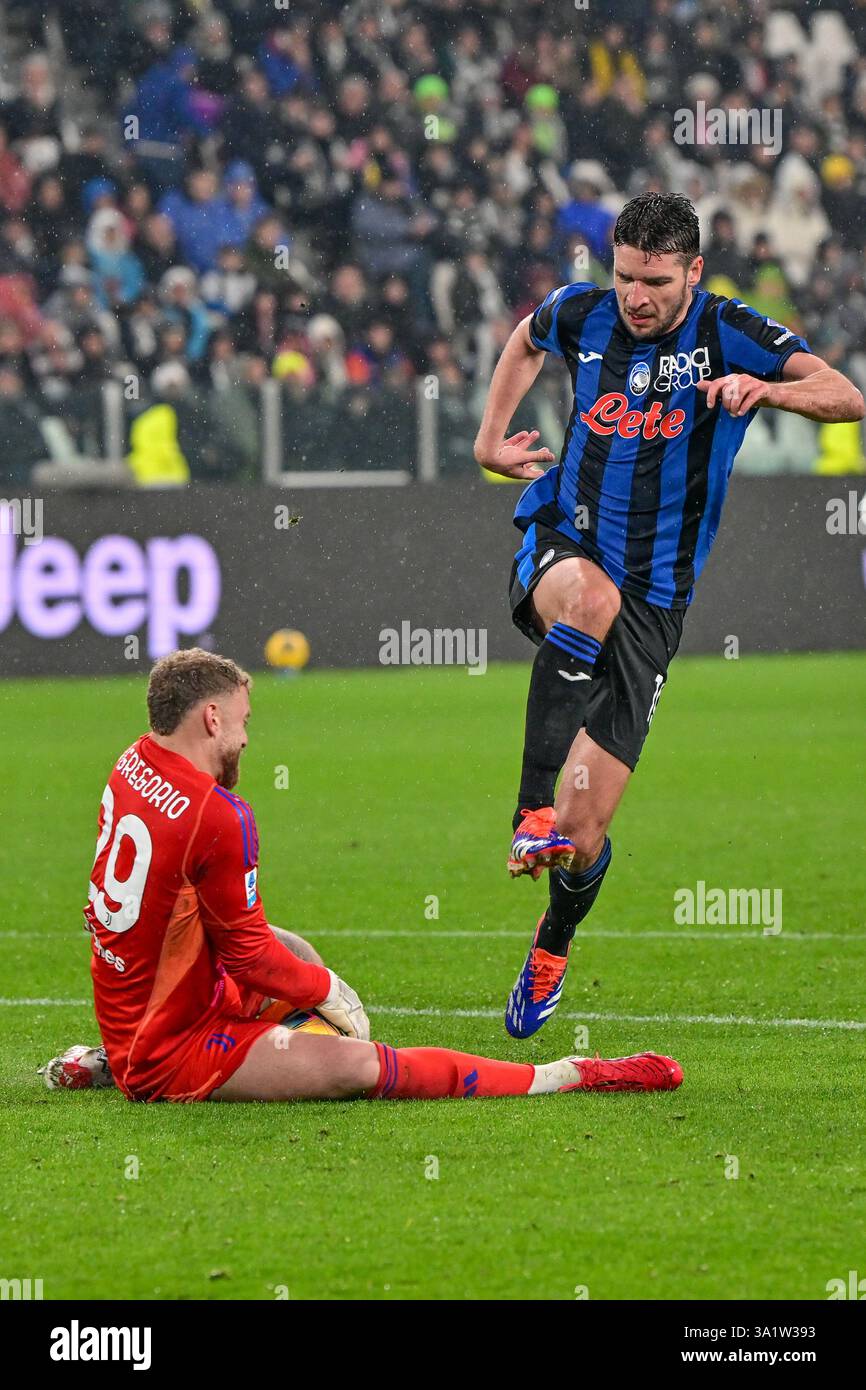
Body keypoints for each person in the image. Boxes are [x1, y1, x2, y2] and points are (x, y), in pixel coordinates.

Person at [473, 191, 864, 1040]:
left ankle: (552, 943)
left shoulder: (728, 331)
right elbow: (526, 337)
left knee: (584, 836)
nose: (635, 297)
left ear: (693, 270)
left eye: (654, 280)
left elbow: (846, 395)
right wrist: (489, 438)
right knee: (589, 596)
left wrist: (765, 390)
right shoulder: (584, 312)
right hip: (565, 540)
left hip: (658, 604)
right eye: (623, 277)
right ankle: (527, 808)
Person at [41, 648, 682, 1102]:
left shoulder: (134, 761)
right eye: (242, 722)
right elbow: (248, 958)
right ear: (211, 719)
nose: (245, 739)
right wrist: (328, 988)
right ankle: (568, 1073)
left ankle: (113, 1061)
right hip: (170, 1049)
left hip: (149, 997)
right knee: (360, 1067)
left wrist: (303, 978)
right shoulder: (219, 813)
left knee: (288, 947)